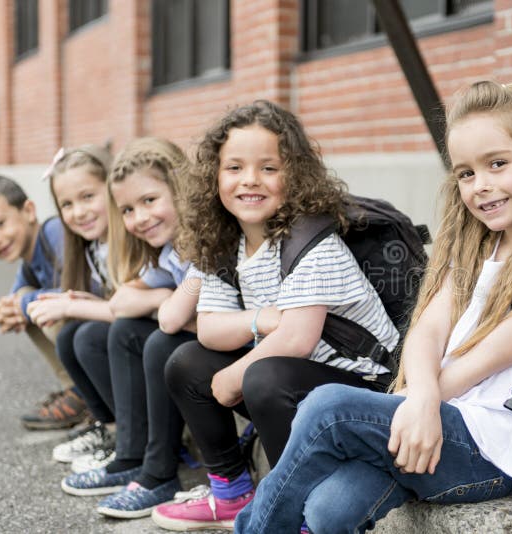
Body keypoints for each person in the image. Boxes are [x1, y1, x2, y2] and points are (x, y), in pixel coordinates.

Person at [232, 81, 512, 534]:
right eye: (466, 173)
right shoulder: (478, 251)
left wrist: (415, 403)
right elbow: (427, 331)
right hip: (439, 416)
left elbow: (484, 359)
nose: (481, 186)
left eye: (498, 164)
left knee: (328, 408)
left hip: (497, 446)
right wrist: (419, 397)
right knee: (329, 509)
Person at [150, 100, 400, 531]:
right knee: (186, 362)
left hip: (364, 388)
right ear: (214, 176)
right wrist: (261, 319)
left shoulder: (311, 241)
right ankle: (231, 492)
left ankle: (297, 508)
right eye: (234, 168)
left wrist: (233, 376)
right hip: (300, 380)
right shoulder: (224, 242)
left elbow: (297, 340)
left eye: (268, 168)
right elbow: (209, 329)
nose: (250, 180)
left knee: (262, 376)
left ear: (295, 175)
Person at [60, 137, 200, 519]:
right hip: (205, 341)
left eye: (149, 200)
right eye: (127, 209)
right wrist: (162, 297)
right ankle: (131, 456)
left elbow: (176, 320)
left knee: (158, 342)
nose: (139, 218)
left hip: (238, 350)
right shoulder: (170, 252)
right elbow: (123, 301)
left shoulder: (204, 245)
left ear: (181, 189)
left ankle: (159, 475)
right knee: (119, 331)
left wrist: (163, 304)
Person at [0, 175, 88, 430]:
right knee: (25, 302)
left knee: (32, 305)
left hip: (105, 326)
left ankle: (91, 394)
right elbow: (15, 298)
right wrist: (10, 310)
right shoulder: (28, 260)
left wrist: (22, 305)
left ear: (29, 211)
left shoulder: (54, 233)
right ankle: (78, 392)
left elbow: (79, 289)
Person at [26, 145, 118, 469]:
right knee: (69, 335)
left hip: (151, 338)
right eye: (67, 204)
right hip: (129, 331)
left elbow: (132, 310)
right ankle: (110, 428)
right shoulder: (90, 247)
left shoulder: (130, 239)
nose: (79, 212)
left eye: (87, 197)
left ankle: (132, 438)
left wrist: (73, 306)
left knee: (88, 336)